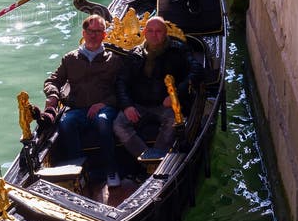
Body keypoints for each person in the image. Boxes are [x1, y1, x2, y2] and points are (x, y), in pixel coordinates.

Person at [43, 14, 123, 203]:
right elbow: (52, 81)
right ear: (84, 33)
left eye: (98, 31)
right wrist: (53, 95)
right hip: (78, 109)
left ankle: (111, 170)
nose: (93, 35)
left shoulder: (113, 59)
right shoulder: (70, 59)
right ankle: (80, 171)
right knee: (66, 122)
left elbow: (122, 89)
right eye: (90, 31)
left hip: (105, 107)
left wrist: (104, 103)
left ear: (104, 35)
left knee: (103, 121)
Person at [113, 16, 204, 160]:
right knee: (119, 124)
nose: (154, 35)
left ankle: (158, 157)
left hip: (165, 106)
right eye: (150, 31)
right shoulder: (135, 54)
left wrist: (176, 94)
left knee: (173, 120)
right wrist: (127, 106)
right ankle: (147, 158)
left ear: (165, 33)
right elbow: (121, 82)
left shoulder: (178, 50)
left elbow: (197, 70)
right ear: (144, 33)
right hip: (139, 105)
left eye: (158, 31)